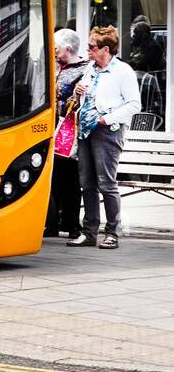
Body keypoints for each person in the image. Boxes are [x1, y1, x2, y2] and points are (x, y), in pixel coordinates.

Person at [70, 25, 142, 249]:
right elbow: (82, 99)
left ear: (106, 49)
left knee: (106, 183)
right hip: (85, 130)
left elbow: (134, 105)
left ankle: (112, 232)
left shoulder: (123, 72)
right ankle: (89, 231)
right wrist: (77, 91)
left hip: (107, 131)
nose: (88, 51)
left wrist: (107, 119)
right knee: (87, 184)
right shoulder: (91, 69)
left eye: (92, 47)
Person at [45, 28, 87, 239]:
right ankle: (51, 222)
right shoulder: (54, 65)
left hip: (69, 131)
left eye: (57, 49)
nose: (54, 52)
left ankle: (71, 223)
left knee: (69, 178)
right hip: (49, 128)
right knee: (52, 178)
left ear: (68, 49)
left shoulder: (84, 70)